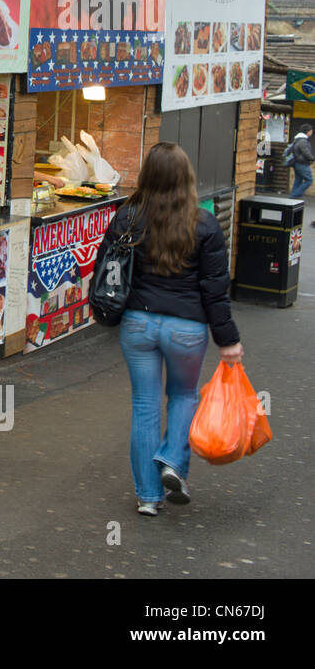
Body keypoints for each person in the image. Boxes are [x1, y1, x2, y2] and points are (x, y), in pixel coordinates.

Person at [93, 142, 243, 517]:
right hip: (187, 329)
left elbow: (106, 268)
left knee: (144, 406)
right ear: (186, 178)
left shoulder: (127, 218)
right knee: (184, 396)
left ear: (147, 176)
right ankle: (173, 462)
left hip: (138, 325)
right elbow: (214, 289)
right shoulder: (205, 223)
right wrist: (228, 340)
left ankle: (147, 497)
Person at [289, 123, 314, 199]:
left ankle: (293, 197)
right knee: (309, 180)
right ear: (307, 131)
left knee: (298, 180)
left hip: (297, 163)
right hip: (302, 163)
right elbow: (306, 153)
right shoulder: (303, 141)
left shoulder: (298, 139)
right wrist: (312, 158)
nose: (312, 132)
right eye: (311, 130)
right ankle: (295, 195)